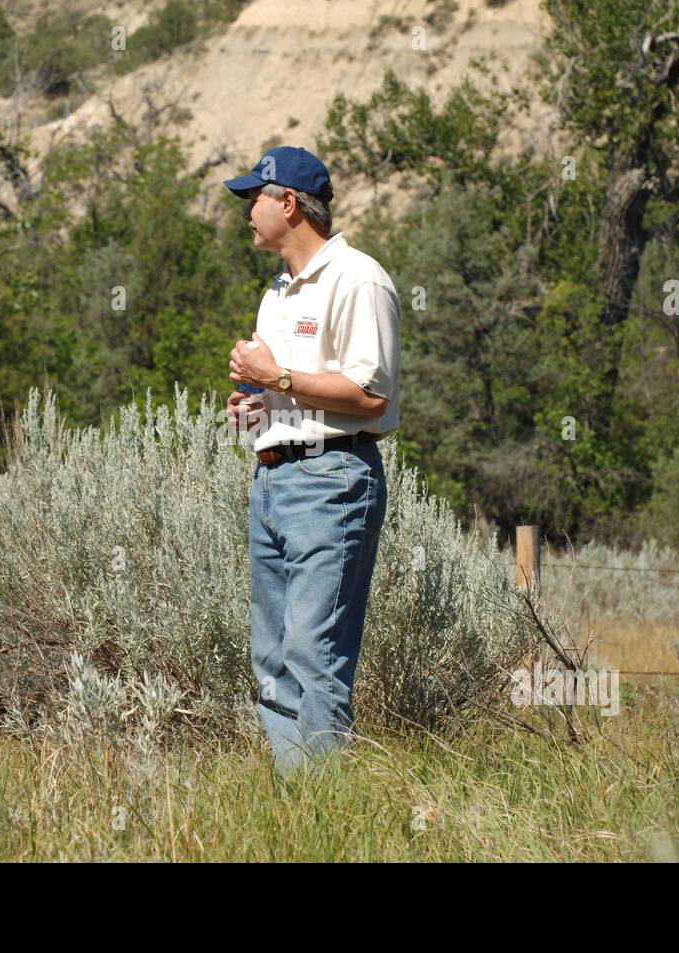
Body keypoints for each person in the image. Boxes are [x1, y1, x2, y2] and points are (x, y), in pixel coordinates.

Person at [222, 146, 401, 778]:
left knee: (311, 650)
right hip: (272, 476)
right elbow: (280, 388)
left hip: (333, 481)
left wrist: (280, 375)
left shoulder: (360, 279)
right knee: (271, 655)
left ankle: (325, 807)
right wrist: (254, 403)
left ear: (289, 203)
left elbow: (370, 395)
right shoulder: (276, 290)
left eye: (255, 199)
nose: (247, 212)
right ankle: (300, 806)